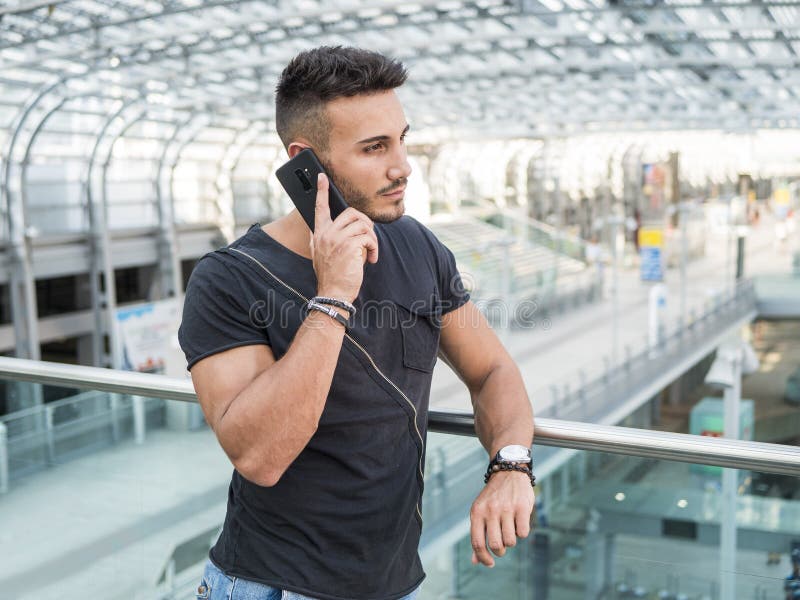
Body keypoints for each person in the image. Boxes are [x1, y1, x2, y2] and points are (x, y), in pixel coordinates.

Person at [179, 46, 535, 600]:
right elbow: (260, 457)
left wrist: (510, 464)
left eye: (401, 139)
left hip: (393, 585)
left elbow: (492, 370)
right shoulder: (229, 280)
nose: (402, 166)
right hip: (268, 585)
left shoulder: (417, 245)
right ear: (306, 163)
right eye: (375, 148)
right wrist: (334, 295)